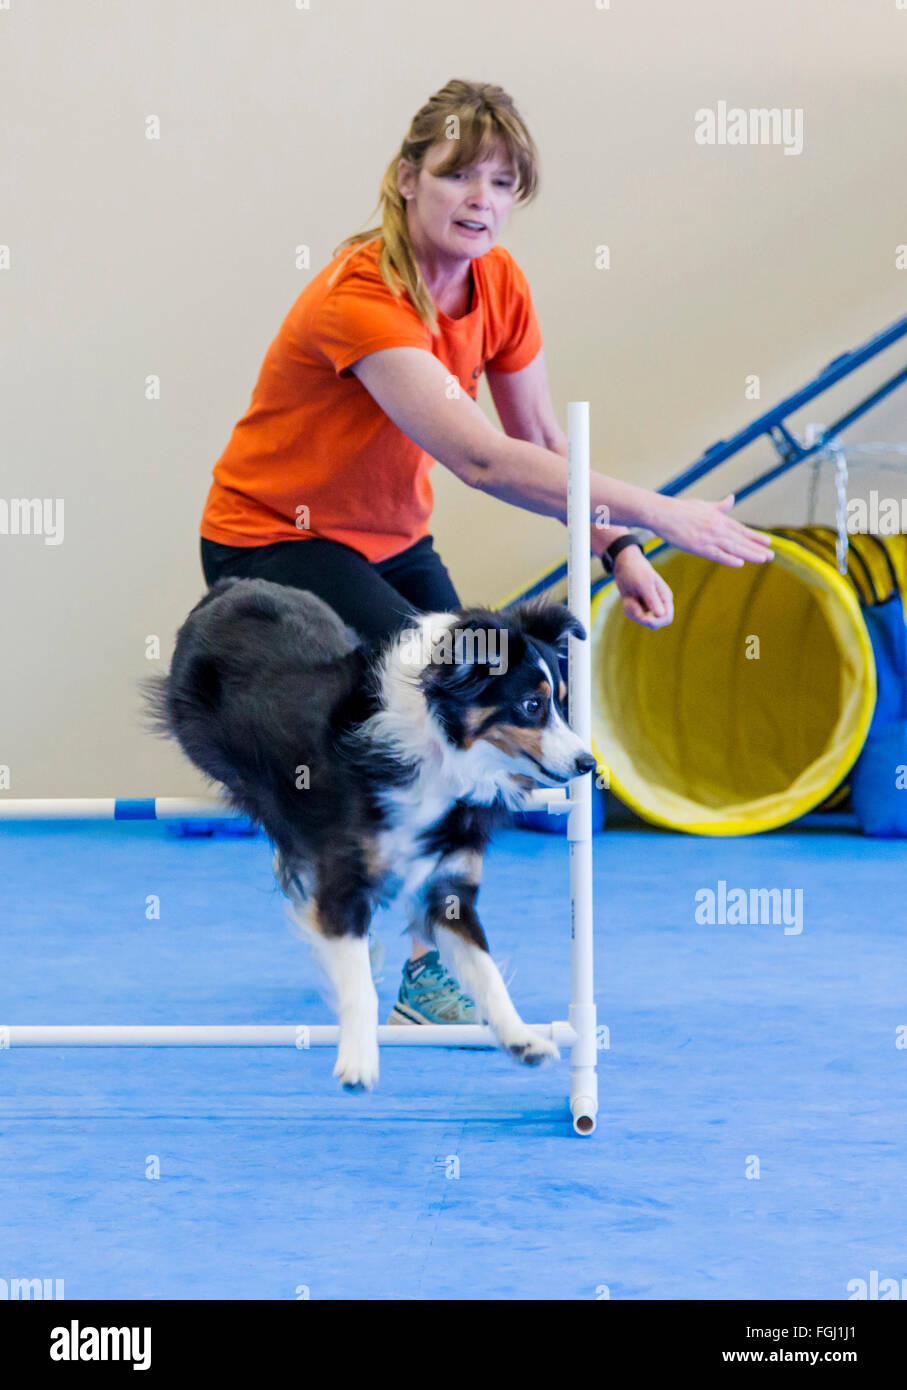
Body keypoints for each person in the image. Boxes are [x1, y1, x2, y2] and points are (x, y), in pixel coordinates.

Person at [198, 78, 773, 1027]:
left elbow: (543, 441)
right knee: (433, 719)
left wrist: (619, 546)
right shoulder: (361, 293)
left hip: (391, 539)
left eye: (503, 182)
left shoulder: (497, 283)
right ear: (404, 178)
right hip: (272, 537)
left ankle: (426, 970)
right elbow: (476, 458)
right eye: (458, 173)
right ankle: (317, 833)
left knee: (477, 704)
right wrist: (669, 511)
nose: (481, 199)